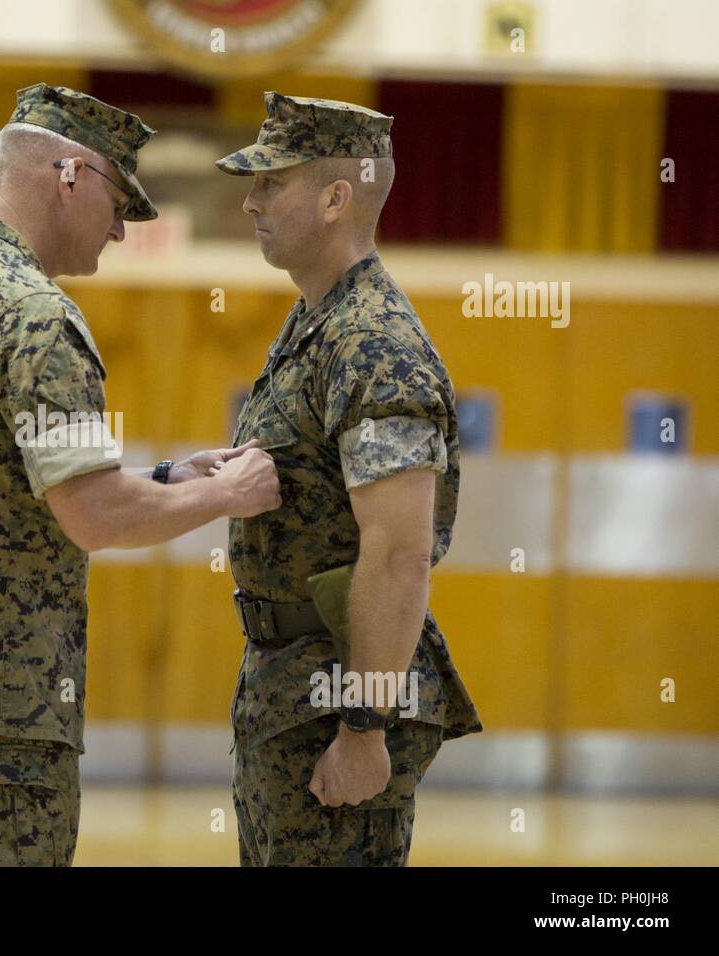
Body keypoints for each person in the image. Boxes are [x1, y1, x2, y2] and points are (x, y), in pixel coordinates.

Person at [0, 84, 281, 867]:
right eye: (120, 200)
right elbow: (94, 515)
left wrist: (167, 477)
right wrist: (228, 494)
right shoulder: (34, 315)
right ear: (70, 174)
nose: (122, 227)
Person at [214, 94, 482, 866]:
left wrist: (365, 727)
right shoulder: (316, 322)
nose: (250, 199)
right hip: (290, 695)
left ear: (337, 198)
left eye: (271, 182)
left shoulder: (372, 343)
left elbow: (400, 553)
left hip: (335, 703)